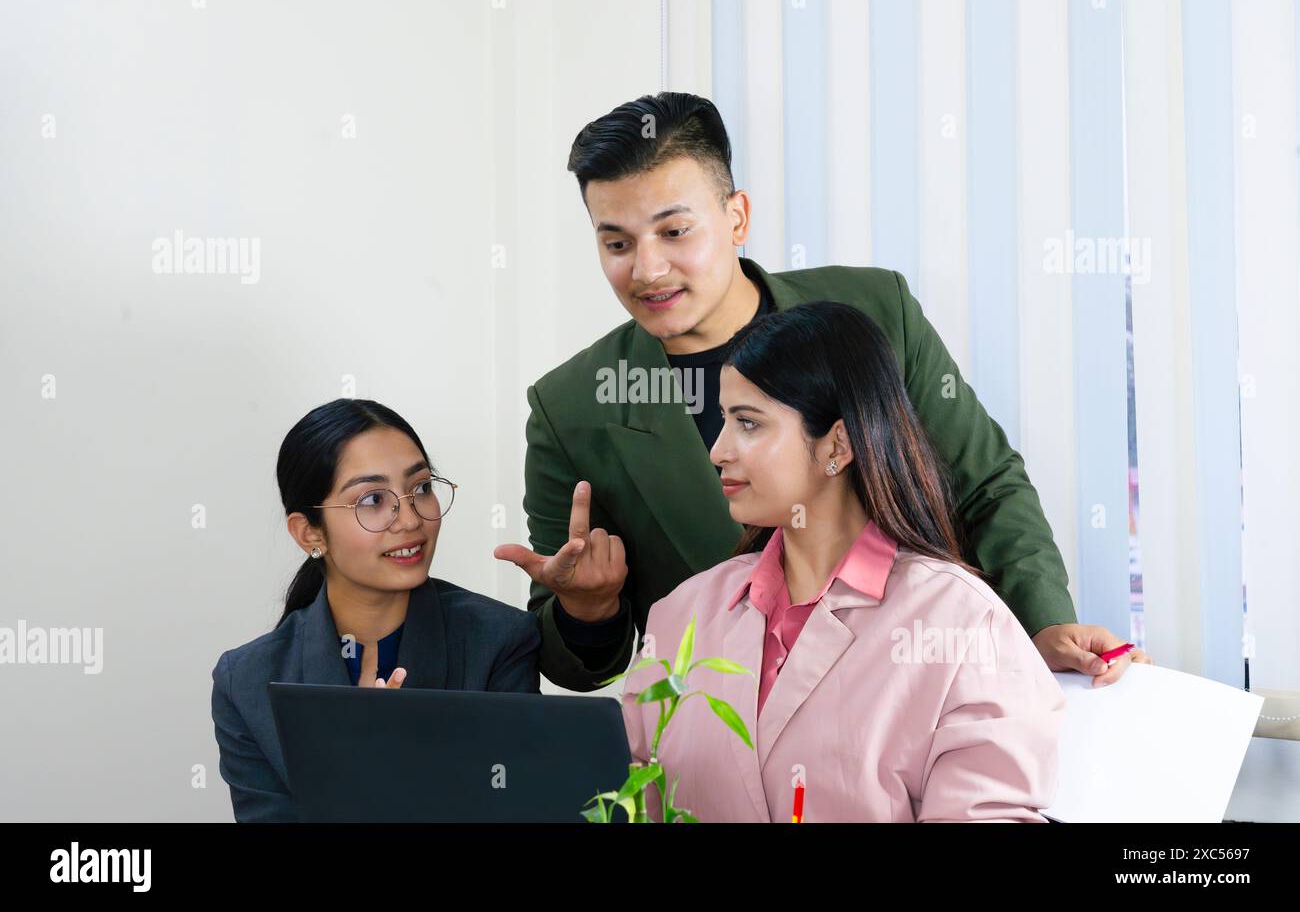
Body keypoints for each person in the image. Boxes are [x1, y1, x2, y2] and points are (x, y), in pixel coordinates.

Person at [495, 90, 1151, 693]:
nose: (647, 269)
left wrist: (1042, 623)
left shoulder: (874, 309)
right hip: (743, 748)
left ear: (736, 217)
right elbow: (570, 659)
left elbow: (986, 485)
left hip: (931, 700)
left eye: (674, 231)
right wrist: (589, 608)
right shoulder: (572, 408)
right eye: (617, 242)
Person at [622, 302, 1065, 822]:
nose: (718, 450)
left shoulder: (963, 625)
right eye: (724, 420)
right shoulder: (681, 616)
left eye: (748, 423)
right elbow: (629, 796)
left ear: (838, 443)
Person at [211, 399, 540, 822]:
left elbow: (518, 807)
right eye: (372, 500)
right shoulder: (248, 682)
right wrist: (364, 773)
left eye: (421, 488)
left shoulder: (498, 641)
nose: (409, 520)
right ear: (309, 532)